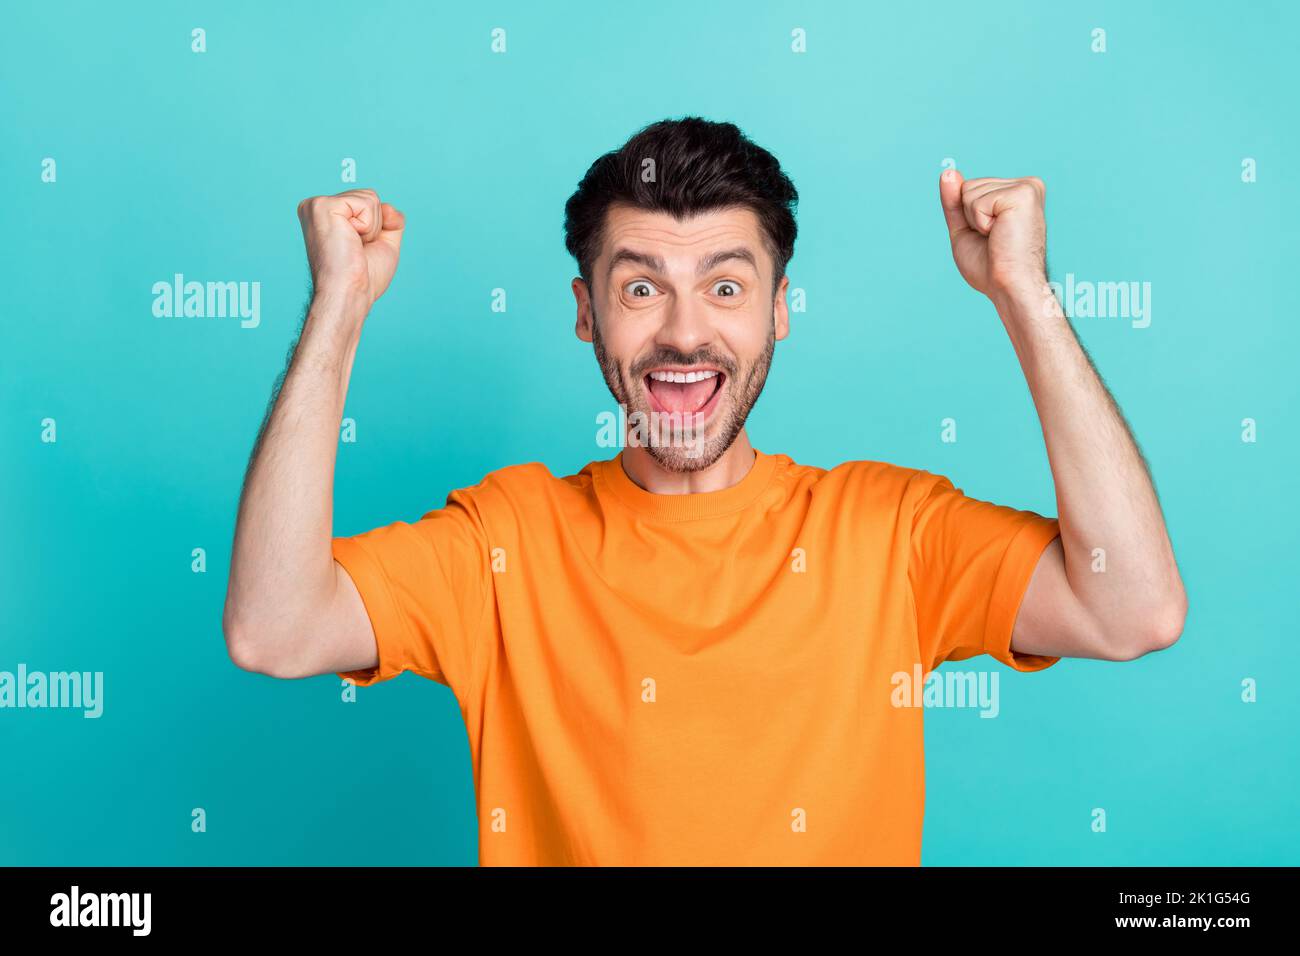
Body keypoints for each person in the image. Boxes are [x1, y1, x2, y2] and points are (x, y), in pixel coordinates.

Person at [222, 116, 1186, 865]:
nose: (685, 333)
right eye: (641, 288)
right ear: (585, 314)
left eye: (727, 286)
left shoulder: (888, 532)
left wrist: (1024, 292)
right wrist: (338, 306)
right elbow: (274, 626)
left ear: (779, 313)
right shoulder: (503, 543)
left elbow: (1131, 607)